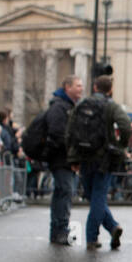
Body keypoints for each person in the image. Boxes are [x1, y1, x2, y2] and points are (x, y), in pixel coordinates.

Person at [65, 74, 131, 252]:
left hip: (84, 157)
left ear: (94, 87)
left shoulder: (81, 104)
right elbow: (125, 125)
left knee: (93, 197)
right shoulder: (111, 106)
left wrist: (73, 158)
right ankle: (95, 236)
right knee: (98, 198)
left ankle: (110, 228)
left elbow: (70, 132)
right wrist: (120, 145)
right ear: (110, 90)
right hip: (103, 158)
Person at [45, 76, 83, 246]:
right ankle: (59, 230)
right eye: (78, 86)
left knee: (63, 192)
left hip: (64, 158)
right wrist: (70, 152)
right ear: (67, 87)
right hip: (60, 158)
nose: (81, 89)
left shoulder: (67, 106)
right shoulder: (59, 106)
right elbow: (57, 133)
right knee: (64, 191)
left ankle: (59, 231)